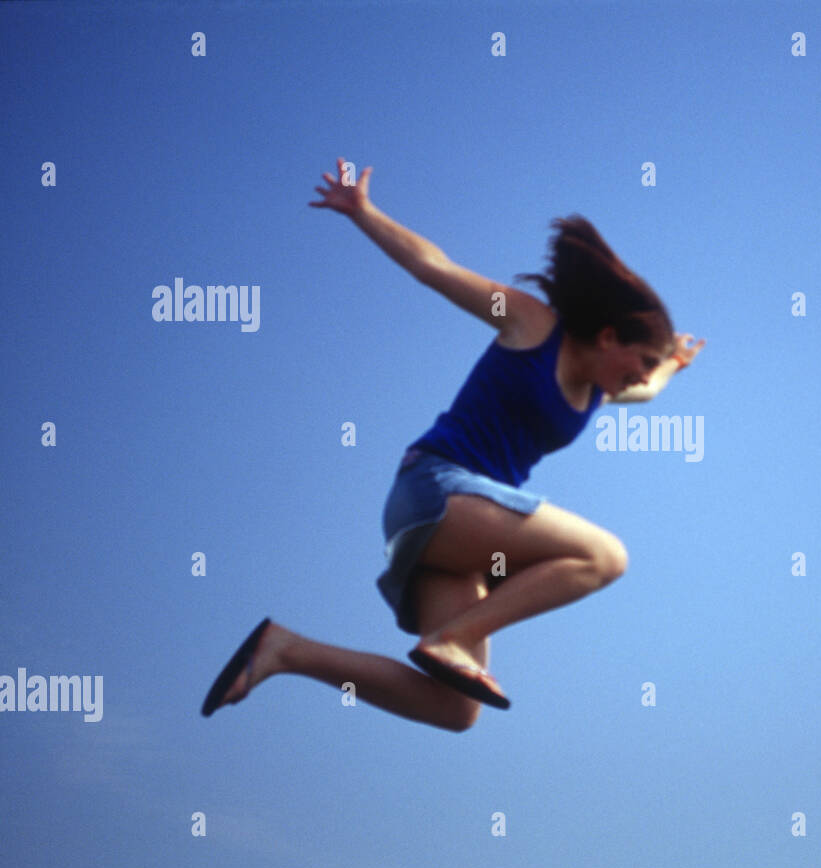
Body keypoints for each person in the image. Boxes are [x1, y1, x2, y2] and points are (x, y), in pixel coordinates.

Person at [200, 158, 705, 732]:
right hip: (436, 489)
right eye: (641, 362)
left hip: (456, 536)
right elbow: (433, 267)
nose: (642, 377)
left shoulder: (598, 390)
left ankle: (285, 651)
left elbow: (647, 393)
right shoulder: (532, 325)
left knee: (456, 709)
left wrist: (671, 366)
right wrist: (363, 212)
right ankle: (454, 636)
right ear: (610, 335)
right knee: (604, 556)